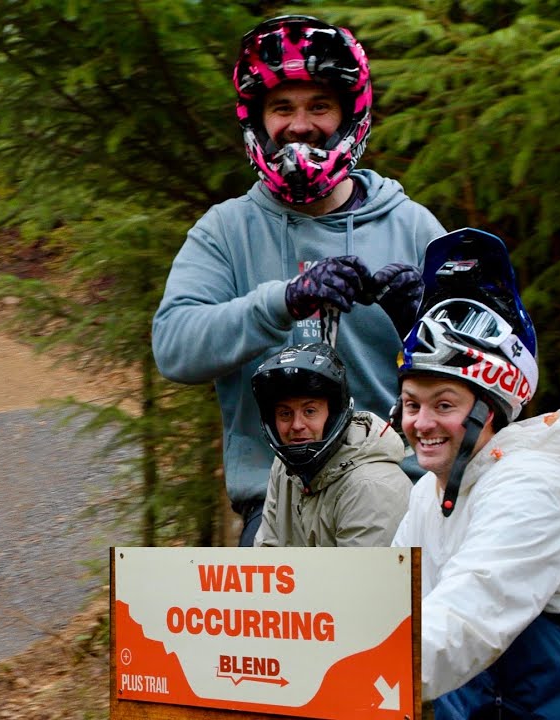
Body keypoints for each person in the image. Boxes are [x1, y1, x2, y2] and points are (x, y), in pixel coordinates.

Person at [151, 14, 446, 545]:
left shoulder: (411, 225)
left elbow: (485, 378)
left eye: (319, 106)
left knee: (399, 630)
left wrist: (419, 326)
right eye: (282, 108)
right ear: (259, 121)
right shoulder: (226, 230)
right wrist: (284, 301)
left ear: (350, 116)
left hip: (402, 497)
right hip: (275, 505)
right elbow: (174, 347)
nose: (300, 124)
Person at [390, 230, 560, 717]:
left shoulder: (534, 489)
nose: (421, 424)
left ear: (491, 408)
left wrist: (340, 674)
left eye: (444, 405)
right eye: (410, 404)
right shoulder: (427, 494)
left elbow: (465, 621)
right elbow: (388, 605)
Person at [250, 343, 409, 547]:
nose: (297, 425)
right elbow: (266, 559)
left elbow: (364, 578)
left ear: (333, 414)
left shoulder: (371, 487)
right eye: (285, 414)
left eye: (309, 411)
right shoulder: (284, 468)